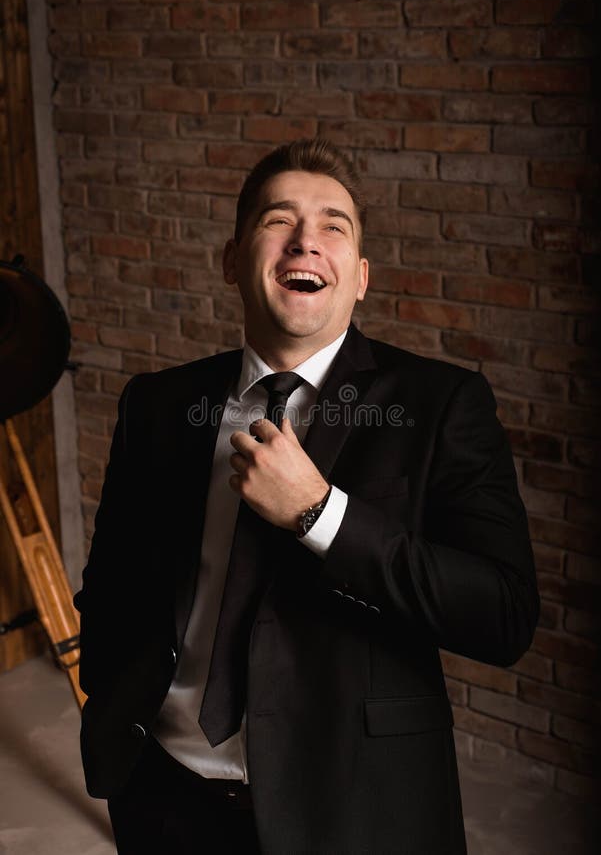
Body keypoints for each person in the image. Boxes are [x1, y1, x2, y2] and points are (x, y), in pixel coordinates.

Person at [75, 137, 539, 854]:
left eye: (333, 226)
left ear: (359, 277)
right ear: (232, 261)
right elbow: (110, 587)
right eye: (276, 220)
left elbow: (503, 615)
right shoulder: (158, 403)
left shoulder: (442, 404)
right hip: (164, 794)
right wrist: (113, 721)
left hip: (354, 814)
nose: (305, 241)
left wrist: (320, 514)